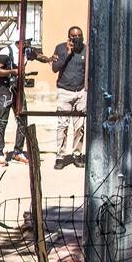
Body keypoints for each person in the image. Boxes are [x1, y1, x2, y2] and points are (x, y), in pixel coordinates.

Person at [37, 26, 87, 169]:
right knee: (62, 125)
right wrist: (68, 53)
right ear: (69, 37)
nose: (77, 39)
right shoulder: (60, 48)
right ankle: (60, 156)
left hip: (81, 91)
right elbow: (55, 68)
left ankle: (77, 154)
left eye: (79, 36)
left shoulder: (86, 49)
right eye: (74, 36)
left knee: (79, 126)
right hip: (64, 91)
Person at [0, 39, 30, 166]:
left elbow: (38, 56)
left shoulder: (26, 51)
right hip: (5, 89)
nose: (28, 44)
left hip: (18, 89)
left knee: (22, 120)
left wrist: (48, 59)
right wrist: (12, 72)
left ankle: (18, 151)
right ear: (19, 41)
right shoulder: (6, 52)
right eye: (26, 41)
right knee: (3, 120)